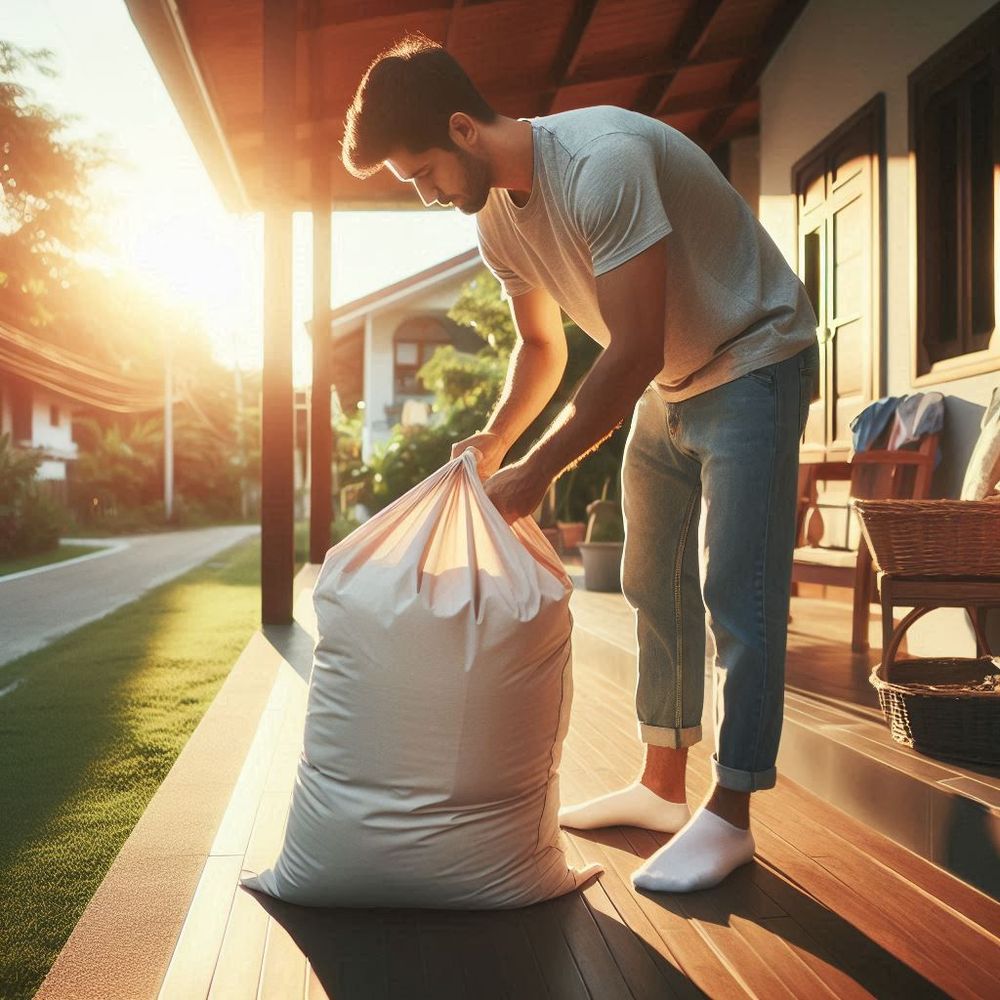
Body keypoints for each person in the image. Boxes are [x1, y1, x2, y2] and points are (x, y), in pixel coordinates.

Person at [341, 35, 819, 894]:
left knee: (736, 595)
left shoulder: (603, 162)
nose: (424, 195)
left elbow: (629, 347)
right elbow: (539, 347)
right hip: (673, 382)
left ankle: (733, 812)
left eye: (422, 173)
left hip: (753, 359)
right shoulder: (491, 215)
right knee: (650, 582)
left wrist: (542, 471)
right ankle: (663, 788)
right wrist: (495, 443)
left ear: (462, 128)